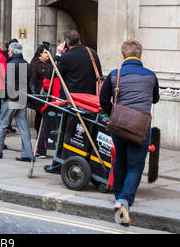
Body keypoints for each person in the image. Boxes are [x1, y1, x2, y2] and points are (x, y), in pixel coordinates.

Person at [99, 40, 159, 227]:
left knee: (120, 161)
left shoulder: (115, 75)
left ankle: (118, 197)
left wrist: (113, 113)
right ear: (140, 56)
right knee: (135, 166)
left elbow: (103, 100)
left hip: (120, 124)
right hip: (141, 125)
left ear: (123, 56)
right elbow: (155, 99)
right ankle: (124, 201)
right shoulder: (151, 75)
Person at [43, 30, 103, 174]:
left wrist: (57, 55)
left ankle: (58, 166)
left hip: (72, 102)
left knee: (66, 134)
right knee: (86, 135)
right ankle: (86, 163)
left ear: (66, 43)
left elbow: (50, 74)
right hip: (91, 103)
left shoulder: (66, 57)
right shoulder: (92, 53)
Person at [0, 42, 35, 162]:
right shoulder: (27, 65)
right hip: (22, 99)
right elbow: (31, 85)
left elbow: (7, 84)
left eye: (8, 51)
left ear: (12, 52)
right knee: (23, 127)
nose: (8, 52)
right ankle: (28, 154)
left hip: (11, 99)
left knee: (2, 124)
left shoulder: (11, 65)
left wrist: (5, 97)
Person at [29, 44, 51, 134]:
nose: (48, 55)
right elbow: (32, 80)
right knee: (39, 114)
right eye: (45, 53)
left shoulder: (51, 64)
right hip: (39, 94)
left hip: (49, 93)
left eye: (49, 52)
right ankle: (39, 132)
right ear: (40, 54)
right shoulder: (35, 64)